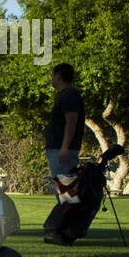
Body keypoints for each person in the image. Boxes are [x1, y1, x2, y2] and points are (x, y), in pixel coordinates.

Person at [45, 62, 85, 196]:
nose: (51, 78)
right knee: (61, 190)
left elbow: (71, 123)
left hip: (61, 151)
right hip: (57, 149)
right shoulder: (63, 95)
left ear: (59, 76)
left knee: (65, 192)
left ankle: (68, 215)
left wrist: (64, 147)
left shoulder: (69, 95)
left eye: (53, 75)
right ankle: (65, 214)